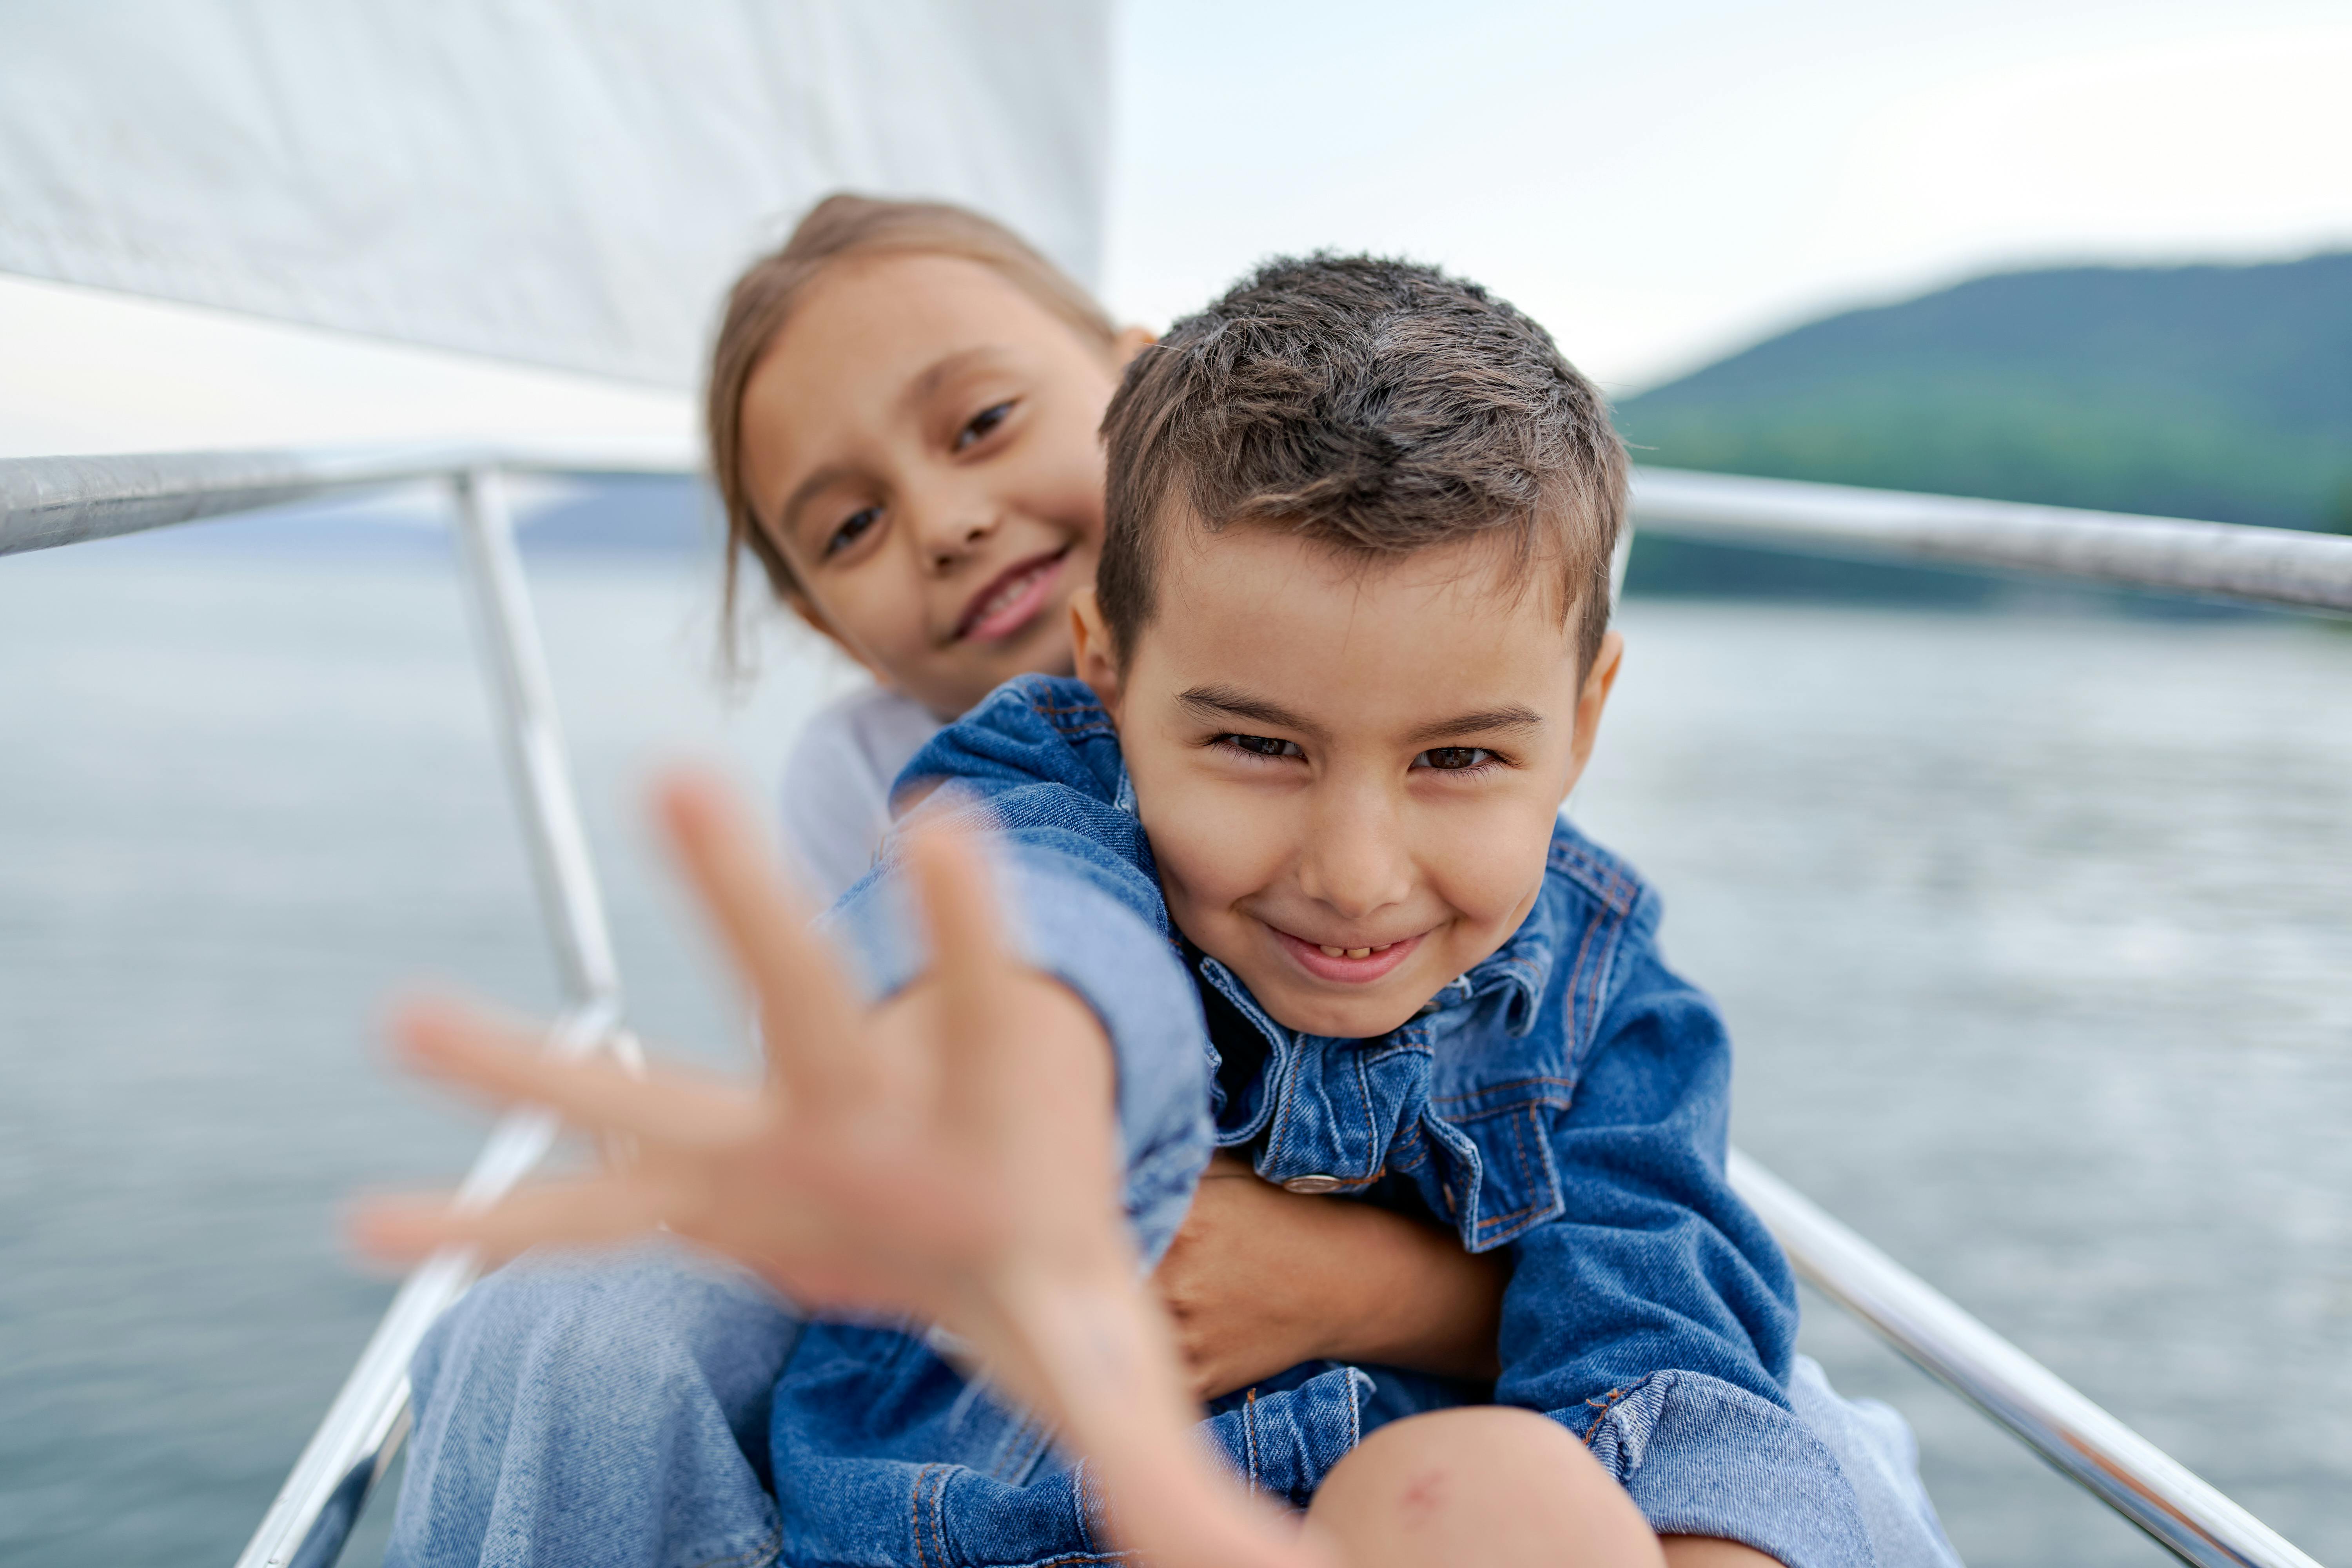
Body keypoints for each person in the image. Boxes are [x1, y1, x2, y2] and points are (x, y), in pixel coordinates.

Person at [363, 255, 1958, 1567]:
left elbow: (1663, 1332)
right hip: (996, 1517)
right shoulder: (1035, 777)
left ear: (1584, 718)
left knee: (1525, 1490)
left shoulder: (1605, 985)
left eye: (1459, 756)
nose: (1352, 867)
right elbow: (1039, 939)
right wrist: (1013, 1110)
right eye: (1257, 747)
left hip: (1382, 1498)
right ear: (1107, 670)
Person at [375, 200, 1514, 1568]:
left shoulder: (1410, 661)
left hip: (1383, 1355)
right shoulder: (867, 779)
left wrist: (1349, 1287)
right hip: (964, 1340)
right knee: (556, 1330)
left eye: (979, 425)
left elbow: (1600, 1195)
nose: (948, 522)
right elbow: (987, 975)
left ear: (1143, 389)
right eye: (851, 527)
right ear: (817, 616)